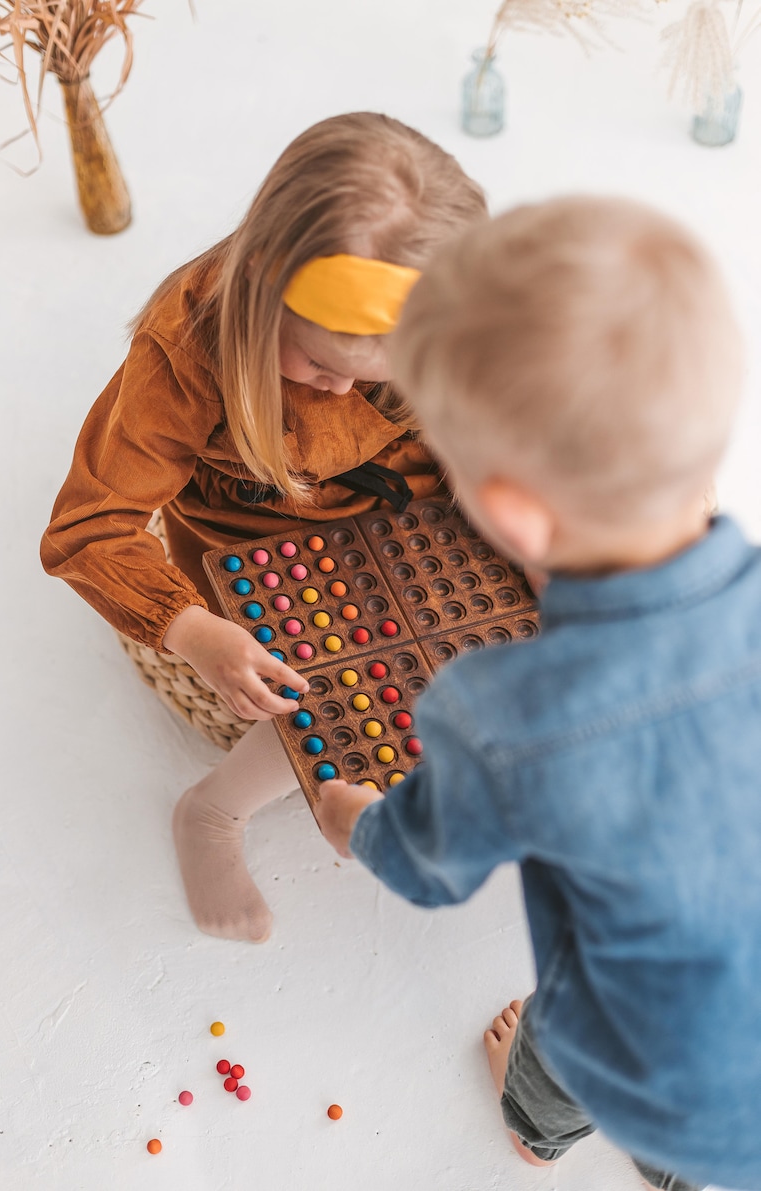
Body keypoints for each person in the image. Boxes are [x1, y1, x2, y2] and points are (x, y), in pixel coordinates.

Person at [315, 196, 761, 1191]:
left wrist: (354, 820)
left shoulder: (505, 715)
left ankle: (535, 1131)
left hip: (645, 1059)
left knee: (577, 1041)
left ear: (509, 512)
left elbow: (430, 867)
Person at [40, 112, 487, 944]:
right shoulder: (187, 352)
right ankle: (212, 809)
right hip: (259, 538)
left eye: (379, 372)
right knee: (317, 677)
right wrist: (195, 630)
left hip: (416, 508)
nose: (345, 392)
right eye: (322, 367)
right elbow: (89, 525)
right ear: (260, 292)